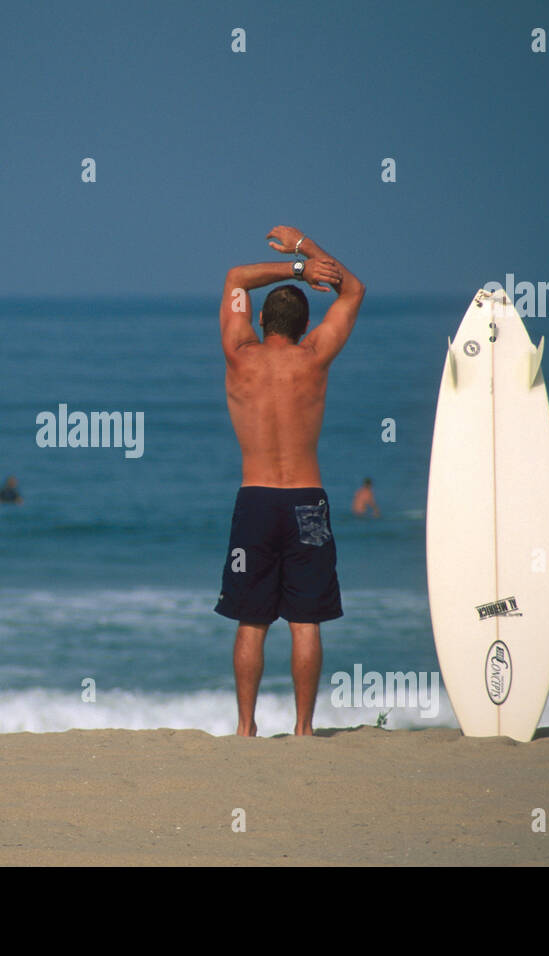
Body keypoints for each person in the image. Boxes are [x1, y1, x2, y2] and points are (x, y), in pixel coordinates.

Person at [214, 225, 364, 737]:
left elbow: (236, 276)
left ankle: (245, 728)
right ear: (305, 326)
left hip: (255, 502)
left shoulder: (240, 356)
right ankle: (303, 730)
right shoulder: (315, 356)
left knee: (251, 620)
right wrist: (309, 249)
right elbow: (353, 289)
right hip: (306, 501)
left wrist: (296, 266)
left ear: (259, 318)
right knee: (306, 621)